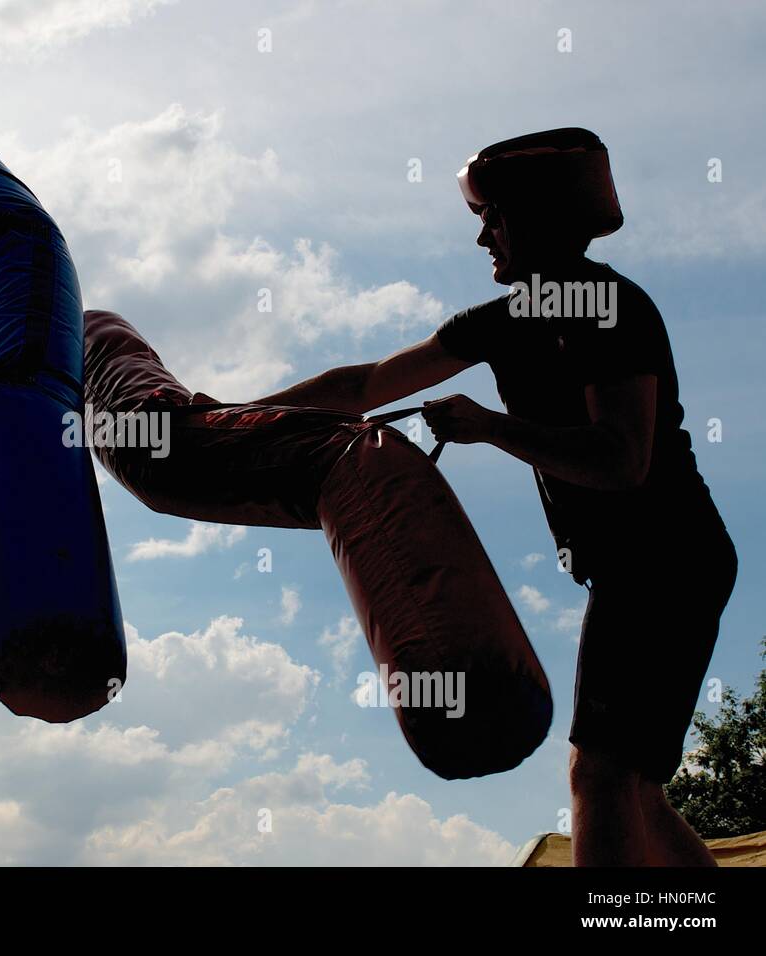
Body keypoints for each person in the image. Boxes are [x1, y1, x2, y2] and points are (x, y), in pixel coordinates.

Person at [253, 129, 736, 866]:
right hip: (638, 567)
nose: (483, 236)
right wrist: (236, 415)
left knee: (599, 773)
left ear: (540, 217)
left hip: (668, 558)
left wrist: (490, 426)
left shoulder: (609, 306)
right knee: (633, 785)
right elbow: (364, 387)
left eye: (495, 216)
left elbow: (622, 460)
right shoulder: (505, 320)